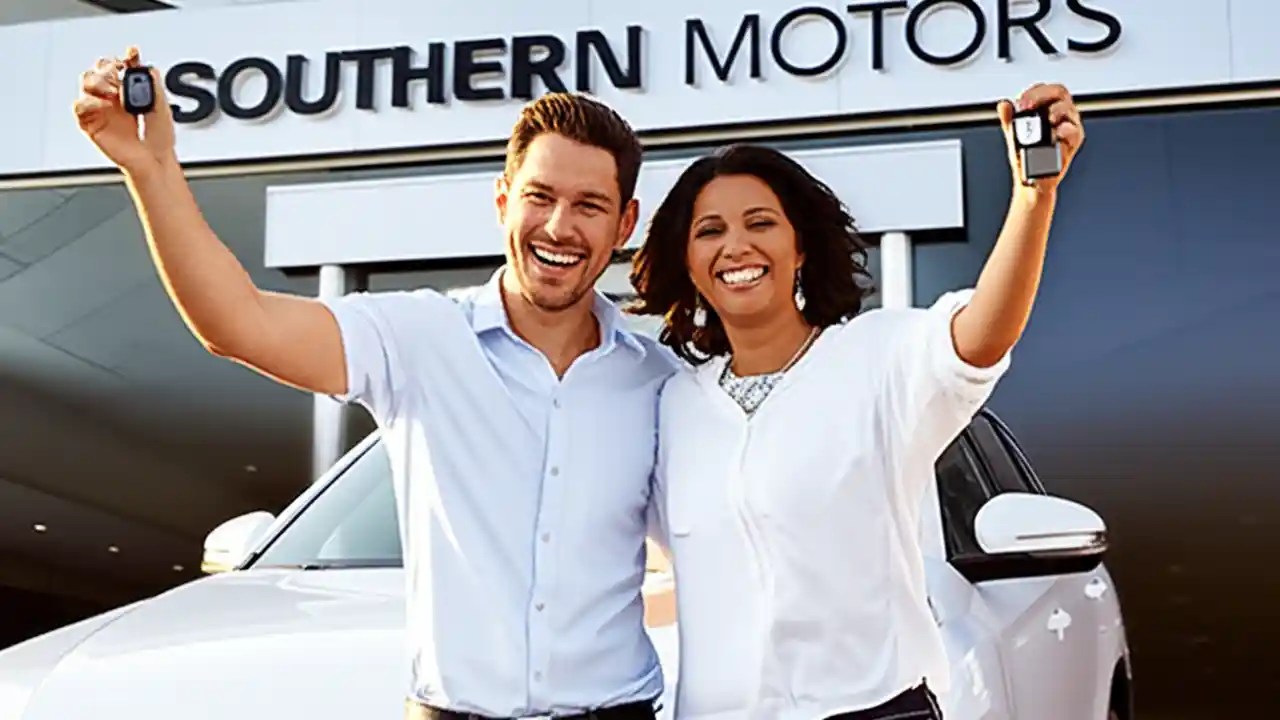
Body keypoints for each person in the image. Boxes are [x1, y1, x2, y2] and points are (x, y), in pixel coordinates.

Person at [74, 47, 678, 720]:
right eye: (540, 196)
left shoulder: (663, 385)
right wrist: (151, 169)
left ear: (625, 223)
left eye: (590, 205)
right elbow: (239, 323)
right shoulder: (417, 338)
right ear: (504, 199)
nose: (560, 227)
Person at [629, 85, 1085, 719]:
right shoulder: (671, 404)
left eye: (761, 223)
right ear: (689, 260)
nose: (736, 246)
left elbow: (982, 336)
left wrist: (1034, 196)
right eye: (710, 231)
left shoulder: (877, 356)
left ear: (800, 248)